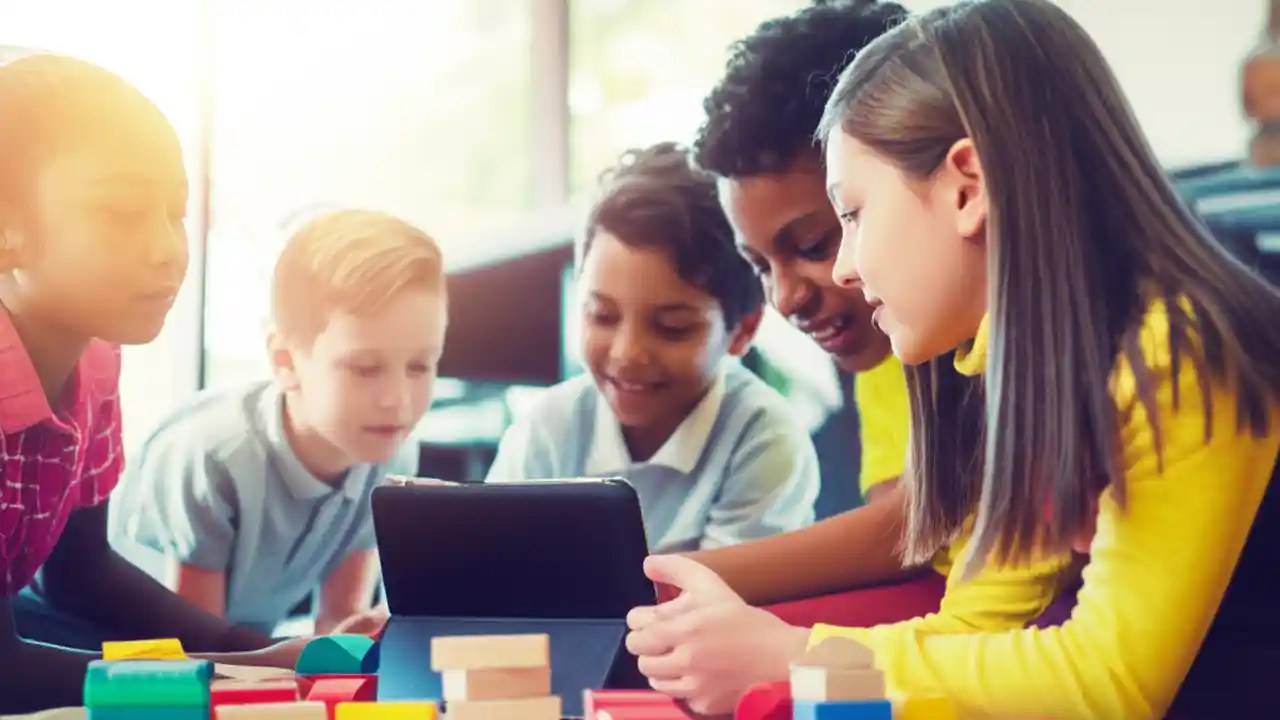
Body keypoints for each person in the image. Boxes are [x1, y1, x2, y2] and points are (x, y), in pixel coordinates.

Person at [627, 1, 1280, 716]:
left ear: (967, 188)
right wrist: (792, 664)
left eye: (850, 217)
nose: (844, 268)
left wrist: (792, 656)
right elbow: (975, 626)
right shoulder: (1022, 367)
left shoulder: (1178, 350)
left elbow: (1108, 683)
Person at [0, 51, 302, 714]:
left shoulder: (95, 362)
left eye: (176, 212)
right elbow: (5, 669)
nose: (169, 247)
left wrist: (254, 652)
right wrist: (228, 677)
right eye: (121, 212)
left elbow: (79, 579)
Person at [112, 209, 445, 636]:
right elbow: (197, 648)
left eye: (419, 366)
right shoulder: (215, 457)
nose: (398, 400)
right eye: (364, 368)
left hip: (241, 648)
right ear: (286, 361)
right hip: (125, 657)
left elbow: (339, 623)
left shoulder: (387, 449)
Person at [485, 142, 820, 553]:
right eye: (601, 315)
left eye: (671, 327)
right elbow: (496, 573)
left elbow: (721, 603)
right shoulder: (547, 431)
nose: (627, 353)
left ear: (742, 331)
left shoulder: (763, 440)